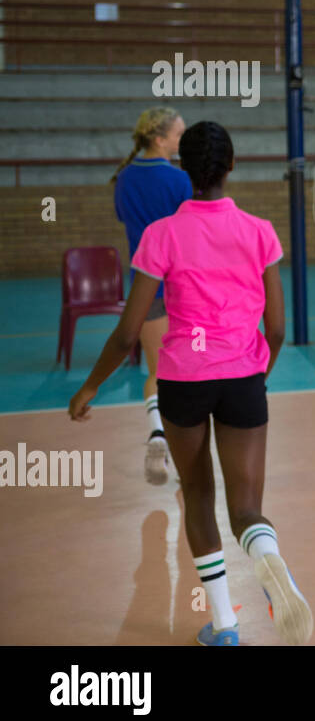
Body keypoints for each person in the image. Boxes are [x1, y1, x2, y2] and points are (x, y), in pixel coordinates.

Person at [71, 121, 312, 647]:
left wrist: (89, 387)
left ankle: (225, 626)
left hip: (182, 381)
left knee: (198, 496)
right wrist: (255, 376)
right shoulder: (260, 231)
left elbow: (128, 332)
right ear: (231, 166)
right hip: (243, 376)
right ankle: (269, 559)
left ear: (184, 169)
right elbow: (276, 329)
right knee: (246, 507)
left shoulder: (161, 235)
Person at [111, 107, 192, 484]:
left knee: (157, 373)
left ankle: (157, 430)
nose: (183, 140)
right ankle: (183, 453)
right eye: (179, 134)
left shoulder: (125, 178)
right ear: (160, 139)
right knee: (187, 375)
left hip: (145, 288)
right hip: (181, 289)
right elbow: (192, 229)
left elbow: (125, 220)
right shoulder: (179, 181)